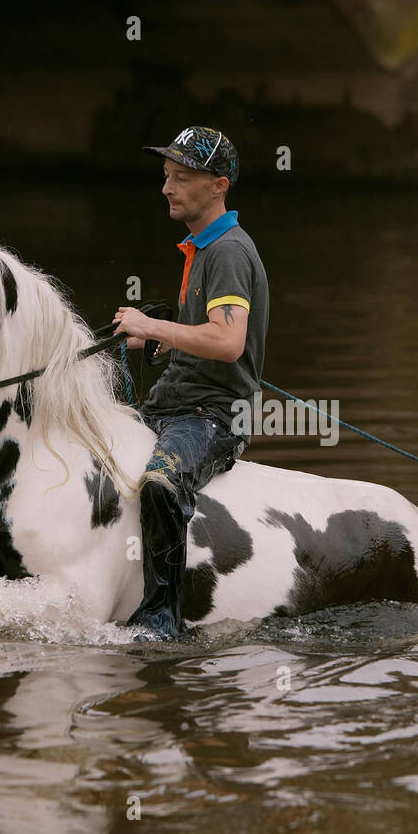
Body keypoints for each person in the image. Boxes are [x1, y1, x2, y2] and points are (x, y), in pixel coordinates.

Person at [112, 126, 270, 639]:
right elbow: (206, 336)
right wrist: (165, 343)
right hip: (176, 402)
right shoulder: (202, 247)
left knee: (160, 483)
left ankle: (162, 617)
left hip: (214, 415)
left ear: (219, 186)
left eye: (182, 177)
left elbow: (228, 343)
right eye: (166, 176)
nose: (167, 188)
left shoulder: (227, 251)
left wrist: (150, 324)